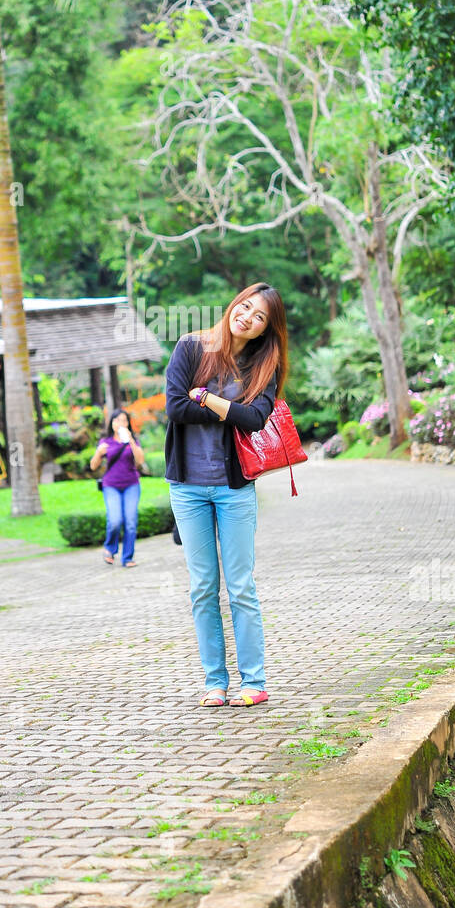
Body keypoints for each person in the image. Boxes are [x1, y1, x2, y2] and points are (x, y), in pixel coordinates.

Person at [164, 282, 288, 708]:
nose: (248, 317)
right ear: (235, 303)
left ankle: (254, 682)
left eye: (259, 318)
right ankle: (214, 683)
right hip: (187, 488)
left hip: (235, 490)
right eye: (246, 307)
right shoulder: (190, 347)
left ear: (264, 331)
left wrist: (207, 398)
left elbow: (255, 419)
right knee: (202, 587)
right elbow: (175, 407)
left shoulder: (262, 366)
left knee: (241, 587)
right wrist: (226, 408)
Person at [90, 408, 145, 568]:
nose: (120, 423)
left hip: (131, 485)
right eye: (117, 420)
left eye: (124, 420)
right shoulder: (105, 442)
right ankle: (110, 548)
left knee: (130, 522)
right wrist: (98, 453)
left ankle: (127, 557)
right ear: (112, 423)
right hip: (111, 485)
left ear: (128, 423)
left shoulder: (132, 440)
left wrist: (131, 441)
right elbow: (93, 466)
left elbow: (140, 461)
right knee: (114, 521)